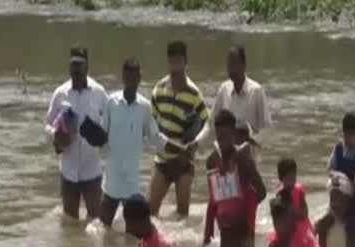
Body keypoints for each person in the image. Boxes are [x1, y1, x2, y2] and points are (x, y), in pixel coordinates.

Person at [99, 58, 179, 228]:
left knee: (134, 234)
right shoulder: (111, 103)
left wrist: (180, 150)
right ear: (123, 77)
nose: (132, 81)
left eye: (135, 77)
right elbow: (101, 134)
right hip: (111, 180)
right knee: (101, 231)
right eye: (128, 77)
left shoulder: (145, 107)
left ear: (139, 79)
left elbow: (156, 137)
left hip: (131, 183)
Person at [203, 109, 267, 247]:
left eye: (226, 136)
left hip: (245, 230)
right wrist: (208, 228)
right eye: (219, 136)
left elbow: (261, 192)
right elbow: (213, 198)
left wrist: (245, 204)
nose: (222, 141)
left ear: (233, 135)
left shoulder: (244, 159)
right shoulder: (211, 161)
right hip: (226, 232)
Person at [44, 45, 108, 220]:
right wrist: (55, 134)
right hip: (68, 169)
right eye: (73, 65)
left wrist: (102, 134)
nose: (77, 69)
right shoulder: (60, 93)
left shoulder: (99, 92)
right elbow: (48, 123)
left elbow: (109, 123)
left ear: (87, 66)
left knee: (96, 221)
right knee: (70, 222)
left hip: (92, 169)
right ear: (69, 67)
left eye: (80, 65)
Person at [149, 40, 209, 217]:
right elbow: (150, 123)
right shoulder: (159, 90)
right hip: (163, 159)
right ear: (168, 62)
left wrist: (195, 145)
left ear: (186, 62)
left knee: (183, 213)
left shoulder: (194, 93)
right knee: (150, 210)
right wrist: (158, 141)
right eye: (172, 61)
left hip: (184, 161)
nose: (175, 66)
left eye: (179, 61)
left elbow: (208, 123)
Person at [317, 110, 355, 247]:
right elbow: (330, 168)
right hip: (340, 194)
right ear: (345, 134)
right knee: (324, 224)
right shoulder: (338, 149)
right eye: (353, 135)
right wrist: (333, 176)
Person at [193, 44, 272, 149]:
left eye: (235, 64)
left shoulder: (256, 91)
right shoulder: (224, 89)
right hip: (226, 156)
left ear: (244, 65)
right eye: (229, 65)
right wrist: (196, 143)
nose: (232, 70)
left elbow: (267, 128)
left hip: (249, 156)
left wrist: (251, 141)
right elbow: (211, 125)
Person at [266, 157, 324, 247]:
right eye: (288, 177)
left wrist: (294, 212)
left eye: (294, 175)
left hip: (300, 224)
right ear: (281, 178)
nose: (292, 179)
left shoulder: (299, 190)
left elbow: (305, 213)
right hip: (286, 225)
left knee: (303, 244)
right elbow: (277, 214)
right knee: (272, 245)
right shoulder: (279, 194)